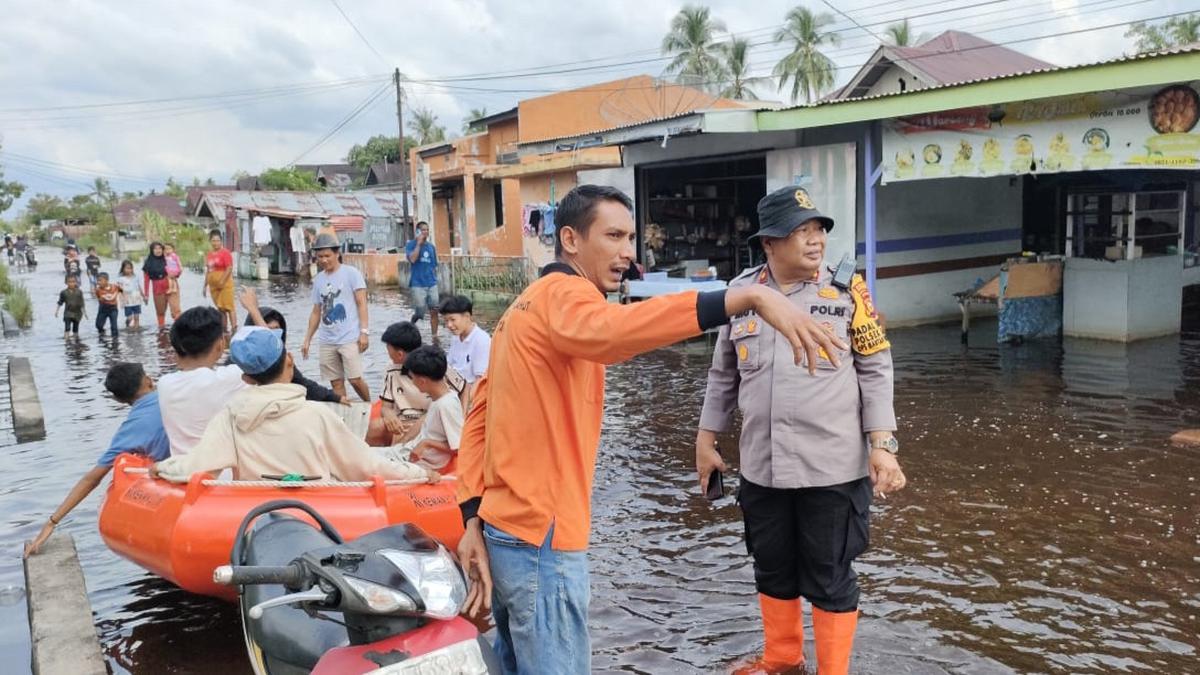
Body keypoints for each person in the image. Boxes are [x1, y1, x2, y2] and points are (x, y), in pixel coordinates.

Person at [453, 184, 845, 674]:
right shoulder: (565, 296)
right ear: (571, 240)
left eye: (631, 237)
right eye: (613, 236)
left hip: (504, 531)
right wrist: (743, 298)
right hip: (542, 539)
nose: (627, 253)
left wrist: (471, 513)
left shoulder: (522, 307)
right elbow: (615, 333)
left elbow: (478, 417)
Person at [696, 187, 908, 675]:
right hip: (762, 467)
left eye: (819, 230)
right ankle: (782, 661)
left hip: (831, 469)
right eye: (801, 231)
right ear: (769, 242)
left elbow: (876, 368)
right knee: (771, 567)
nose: (815, 242)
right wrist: (707, 440)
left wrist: (882, 445)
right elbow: (723, 374)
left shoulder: (847, 291)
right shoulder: (742, 293)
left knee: (831, 574)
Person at [151, 326, 439, 484]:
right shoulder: (317, 415)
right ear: (289, 361)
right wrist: (421, 474)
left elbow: (198, 465)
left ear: (247, 379)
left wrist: (163, 468)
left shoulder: (231, 417)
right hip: (316, 517)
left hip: (255, 518)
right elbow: (365, 466)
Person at [23, 363, 170, 557]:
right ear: (149, 380)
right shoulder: (175, 393)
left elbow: (92, 479)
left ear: (117, 399)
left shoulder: (129, 431)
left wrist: (52, 522)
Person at [157, 306, 248, 455]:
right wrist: (253, 310)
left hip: (180, 472)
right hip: (220, 476)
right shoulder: (230, 378)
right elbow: (271, 358)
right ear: (220, 344)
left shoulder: (164, 384)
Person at [238, 286, 346, 404]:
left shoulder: (281, 360)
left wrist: (335, 397)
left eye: (276, 329)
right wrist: (253, 310)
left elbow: (304, 384)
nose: (273, 336)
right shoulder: (240, 361)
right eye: (269, 330)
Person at [366, 321, 466, 447]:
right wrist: (389, 415)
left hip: (431, 423)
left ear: (400, 354)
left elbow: (464, 388)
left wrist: (461, 416)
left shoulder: (435, 366)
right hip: (402, 423)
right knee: (374, 427)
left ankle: (396, 452)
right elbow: (386, 406)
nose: (388, 354)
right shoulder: (392, 371)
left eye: (388, 349)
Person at [301, 233, 370, 402]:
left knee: (355, 378)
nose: (324, 260)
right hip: (327, 339)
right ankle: (343, 416)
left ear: (337, 253)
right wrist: (307, 339)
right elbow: (317, 311)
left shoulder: (351, 273)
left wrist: (364, 332)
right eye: (320, 257)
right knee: (336, 382)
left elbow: (362, 303)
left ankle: (370, 405)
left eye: (327, 256)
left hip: (349, 337)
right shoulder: (318, 280)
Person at [385, 345, 463, 473]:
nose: (412, 382)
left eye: (412, 378)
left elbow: (460, 447)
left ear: (422, 381)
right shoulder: (438, 399)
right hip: (405, 453)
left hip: (418, 464)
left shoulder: (447, 405)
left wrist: (427, 443)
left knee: (360, 460)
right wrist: (404, 442)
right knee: (360, 453)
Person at [440, 294, 490, 411]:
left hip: (470, 397)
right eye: (446, 321)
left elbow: (480, 381)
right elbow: (448, 367)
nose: (449, 325)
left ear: (467, 316)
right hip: (454, 392)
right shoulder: (456, 337)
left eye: (452, 320)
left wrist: (463, 407)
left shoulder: (481, 340)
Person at [405, 221, 440, 338]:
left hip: (432, 283)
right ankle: (412, 323)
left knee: (435, 310)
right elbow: (413, 260)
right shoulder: (411, 245)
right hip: (418, 285)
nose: (425, 232)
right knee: (420, 312)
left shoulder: (431, 247)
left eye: (427, 230)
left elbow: (434, 265)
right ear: (418, 231)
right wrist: (418, 244)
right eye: (423, 230)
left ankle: (434, 336)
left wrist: (434, 279)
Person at [203, 230, 236, 334]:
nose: (215, 243)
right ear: (210, 242)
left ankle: (234, 328)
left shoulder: (225, 252)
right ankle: (224, 330)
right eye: (213, 241)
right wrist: (205, 285)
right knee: (220, 308)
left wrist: (222, 281)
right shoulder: (209, 255)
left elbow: (229, 268)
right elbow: (208, 270)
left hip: (225, 284)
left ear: (221, 241)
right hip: (213, 285)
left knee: (229, 306)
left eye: (217, 240)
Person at [142, 242, 171, 328]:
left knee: (175, 309)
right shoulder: (148, 263)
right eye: (155, 248)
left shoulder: (167, 259)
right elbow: (146, 281)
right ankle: (162, 329)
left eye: (160, 248)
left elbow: (175, 269)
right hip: (157, 288)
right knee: (161, 311)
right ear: (152, 250)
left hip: (170, 286)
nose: (158, 250)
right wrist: (146, 295)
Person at [55, 274, 85, 338]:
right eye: (69, 282)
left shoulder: (79, 292)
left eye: (73, 282)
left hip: (77, 313)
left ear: (76, 282)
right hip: (68, 313)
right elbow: (60, 302)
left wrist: (85, 313)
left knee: (75, 329)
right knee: (67, 328)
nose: (71, 283)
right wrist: (57, 311)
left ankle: (76, 341)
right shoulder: (63, 292)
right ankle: (66, 342)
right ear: (66, 282)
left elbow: (82, 303)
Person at [117, 259, 145, 329]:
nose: (129, 270)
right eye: (127, 268)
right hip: (127, 300)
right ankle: (127, 323)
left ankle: (136, 330)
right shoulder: (121, 278)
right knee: (130, 317)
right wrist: (121, 299)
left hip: (136, 299)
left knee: (136, 317)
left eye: (130, 268)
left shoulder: (135, 277)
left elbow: (139, 287)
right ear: (123, 269)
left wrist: (143, 296)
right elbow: (119, 289)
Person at [93, 272, 120, 336]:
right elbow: (97, 297)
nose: (98, 282)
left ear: (106, 280)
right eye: (97, 280)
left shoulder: (114, 287)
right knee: (98, 325)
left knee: (114, 327)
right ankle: (102, 333)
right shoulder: (98, 289)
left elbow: (122, 291)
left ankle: (115, 341)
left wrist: (124, 298)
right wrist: (100, 299)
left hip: (113, 308)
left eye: (100, 280)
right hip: (103, 309)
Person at [163, 242, 184, 321]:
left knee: (175, 307)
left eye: (169, 249)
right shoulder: (164, 257)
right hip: (167, 277)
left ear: (173, 250)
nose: (167, 251)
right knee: (168, 310)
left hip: (174, 273)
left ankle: (178, 321)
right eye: (165, 249)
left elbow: (179, 266)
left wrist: (178, 271)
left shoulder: (174, 257)